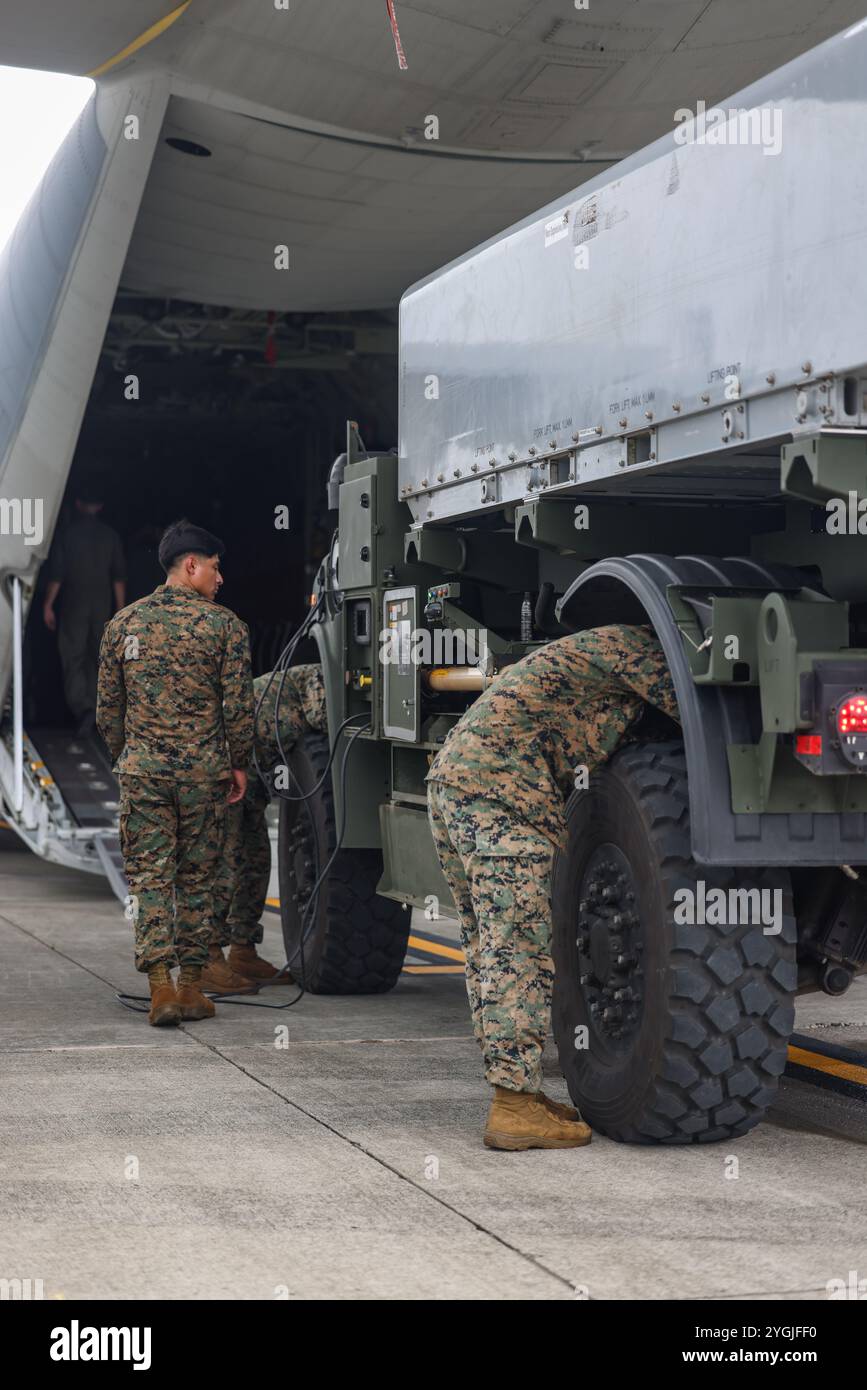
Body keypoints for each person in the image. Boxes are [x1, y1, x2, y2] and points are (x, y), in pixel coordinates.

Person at [426, 623, 679, 1151]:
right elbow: (691, 704)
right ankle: (512, 1108)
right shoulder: (640, 651)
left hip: (462, 782)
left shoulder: (600, 646)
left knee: (488, 947)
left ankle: (519, 1091)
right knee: (515, 950)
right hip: (499, 794)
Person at [96, 520, 254, 1027]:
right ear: (191, 565)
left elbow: (107, 710)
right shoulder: (226, 627)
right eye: (215, 567)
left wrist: (133, 755)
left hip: (144, 775)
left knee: (149, 879)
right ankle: (191, 989)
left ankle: (159, 989)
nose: (220, 578)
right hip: (204, 777)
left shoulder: (123, 624)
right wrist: (238, 764)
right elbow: (239, 709)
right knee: (197, 879)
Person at [208, 664, 327, 990]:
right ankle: (207, 958)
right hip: (224, 769)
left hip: (251, 782)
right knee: (225, 863)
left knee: (255, 858)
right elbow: (323, 717)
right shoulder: (317, 675)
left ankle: (243, 950)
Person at [43, 493, 126, 734]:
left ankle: (84, 707)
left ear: (78, 504)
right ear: (100, 505)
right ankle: (102, 711)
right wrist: (120, 611)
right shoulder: (111, 536)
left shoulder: (68, 535)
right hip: (102, 604)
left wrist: (47, 604)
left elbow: (57, 575)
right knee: (99, 657)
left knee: (73, 656)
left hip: (74, 604)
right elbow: (119, 576)